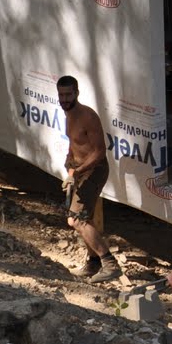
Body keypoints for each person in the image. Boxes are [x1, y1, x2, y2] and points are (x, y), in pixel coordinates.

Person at [59, 75, 120, 283]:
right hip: (79, 172)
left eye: (68, 94)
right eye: (61, 95)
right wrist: (69, 165)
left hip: (94, 171)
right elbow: (74, 144)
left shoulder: (88, 116)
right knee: (84, 218)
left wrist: (77, 172)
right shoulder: (68, 114)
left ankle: (110, 264)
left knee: (76, 219)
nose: (64, 99)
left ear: (76, 93)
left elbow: (99, 152)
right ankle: (93, 263)